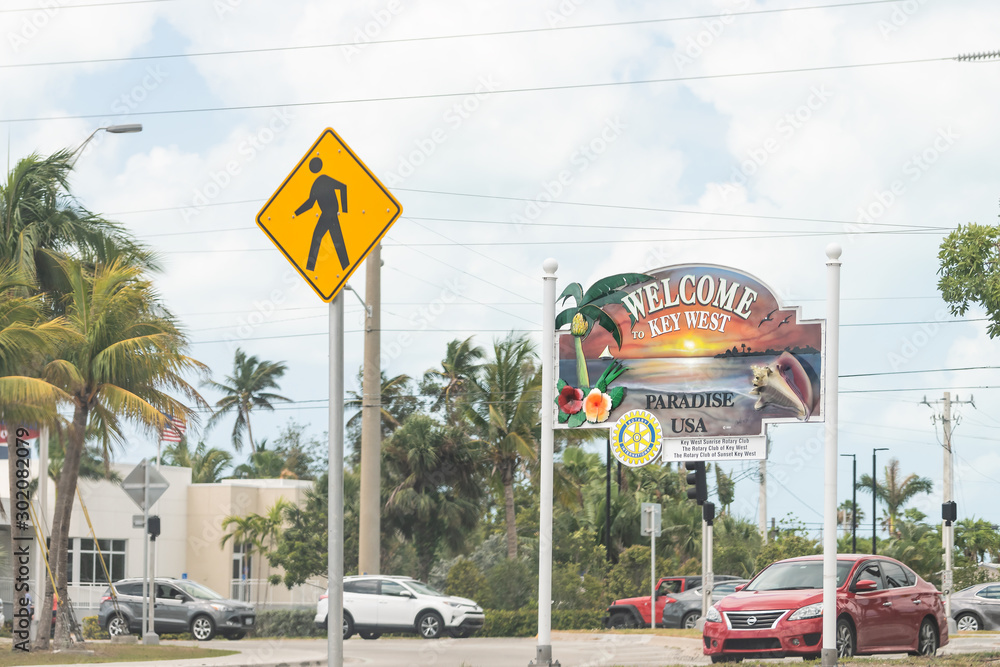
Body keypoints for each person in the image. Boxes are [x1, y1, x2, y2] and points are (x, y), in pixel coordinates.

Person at [294, 157, 349, 272]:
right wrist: (295, 213)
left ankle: (311, 267)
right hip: (326, 215)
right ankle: (344, 266)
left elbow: (343, 187)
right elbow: (310, 203)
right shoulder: (316, 184)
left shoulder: (323, 179)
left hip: (332, 214)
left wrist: (344, 210)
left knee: (332, 239)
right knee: (331, 239)